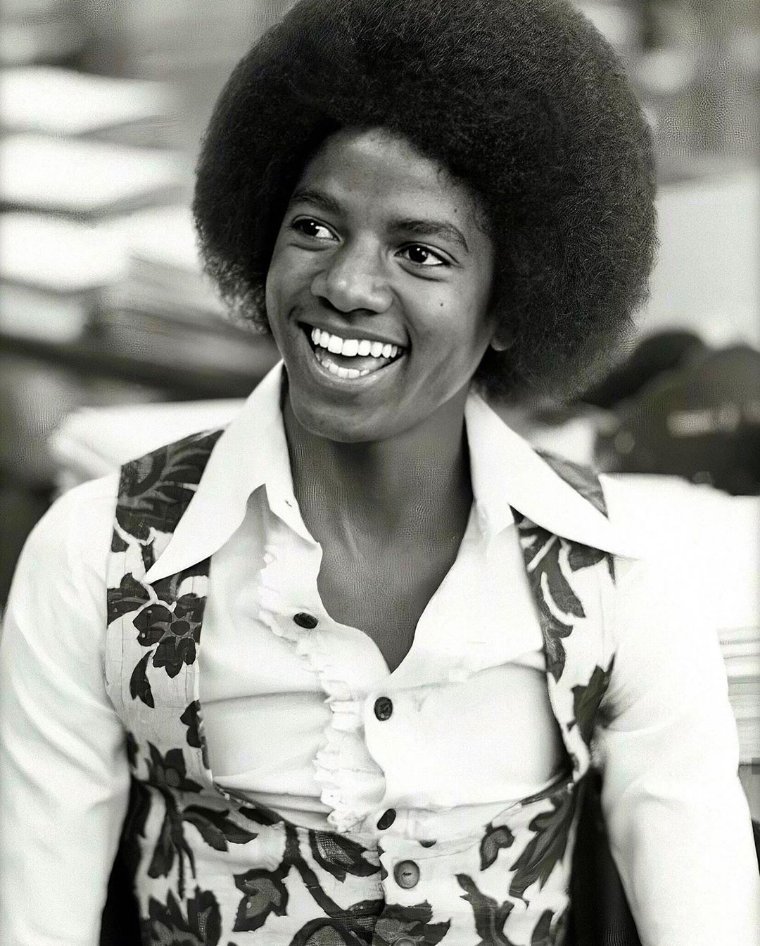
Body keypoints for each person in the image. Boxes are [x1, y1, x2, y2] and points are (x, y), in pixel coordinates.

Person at [1, 1, 758, 944]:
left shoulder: (619, 580)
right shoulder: (96, 560)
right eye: (316, 228)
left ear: (513, 302)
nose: (349, 285)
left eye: (420, 253)